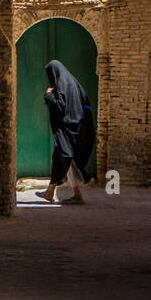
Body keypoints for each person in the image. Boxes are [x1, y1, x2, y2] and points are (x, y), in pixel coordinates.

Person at [37, 59, 95, 205]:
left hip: (67, 129)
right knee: (67, 160)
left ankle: (50, 192)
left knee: (62, 157)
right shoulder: (73, 83)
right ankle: (75, 194)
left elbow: (60, 105)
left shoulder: (62, 85)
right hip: (77, 128)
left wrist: (48, 95)